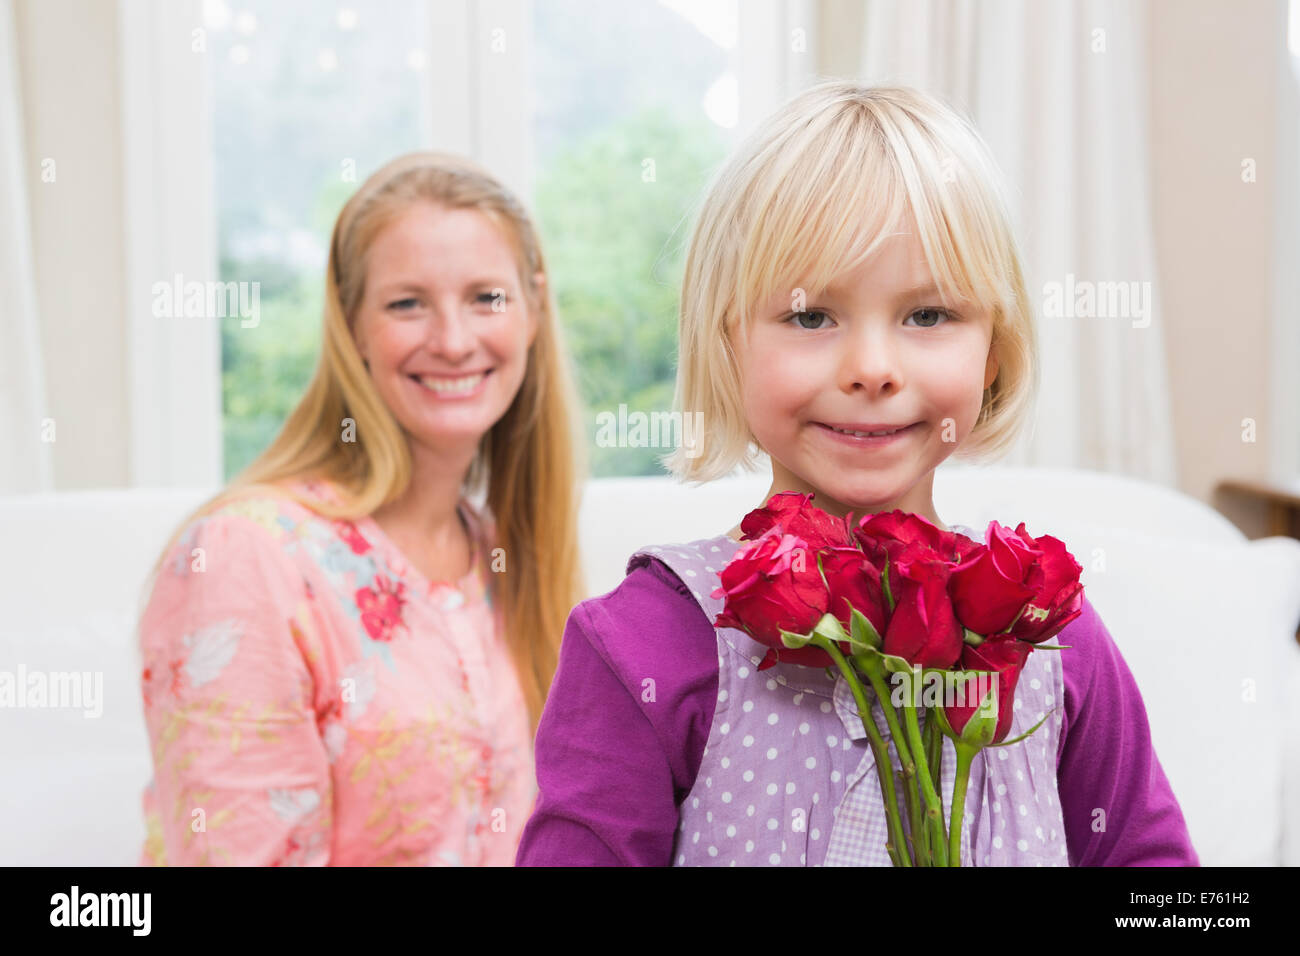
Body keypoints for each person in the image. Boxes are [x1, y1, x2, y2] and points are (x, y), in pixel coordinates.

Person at [515, 82, 1199, 866]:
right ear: (727, 344)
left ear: (994, 352)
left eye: (928, 315)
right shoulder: (643, 644)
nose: (872, 368)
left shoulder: (1051, 637)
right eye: (811, 317)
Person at [137, 151, 586, 866]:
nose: (453, 339)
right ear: (352, 326)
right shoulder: (247, 558)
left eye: (486, 297)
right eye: (406, 303)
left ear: (532, 309)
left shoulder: (505, 556)